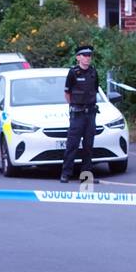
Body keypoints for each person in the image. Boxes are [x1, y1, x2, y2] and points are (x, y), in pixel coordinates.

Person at [60, 45, 100, 183]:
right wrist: (74, 106)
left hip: (90, 114)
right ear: (78, 57)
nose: (88, 58)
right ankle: (66, 173)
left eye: (89, 55)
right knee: (72, 145)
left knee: (88, 146)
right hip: (77, 114)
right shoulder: (73, 73)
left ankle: (86, 176)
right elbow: (67, 93)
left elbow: (95, 90)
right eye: (85, 55)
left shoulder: (94, 73)